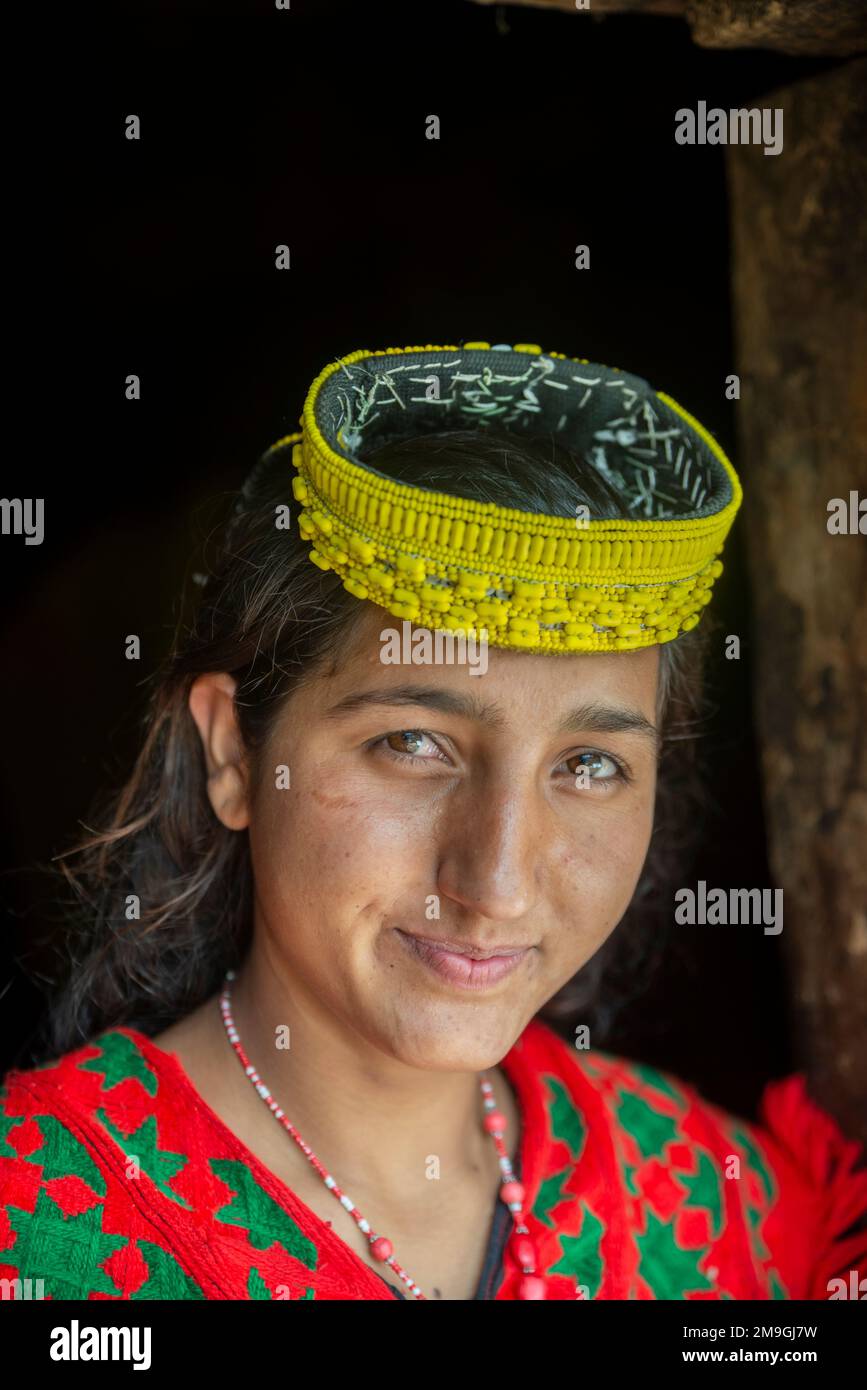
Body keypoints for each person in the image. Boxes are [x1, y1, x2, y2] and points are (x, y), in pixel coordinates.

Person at [1, 342, 864, 1301]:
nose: (495, 881)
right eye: (413, 743)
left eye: (589, 765)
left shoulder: (725, 1216)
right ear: (234, 756)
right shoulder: (32, 1229)